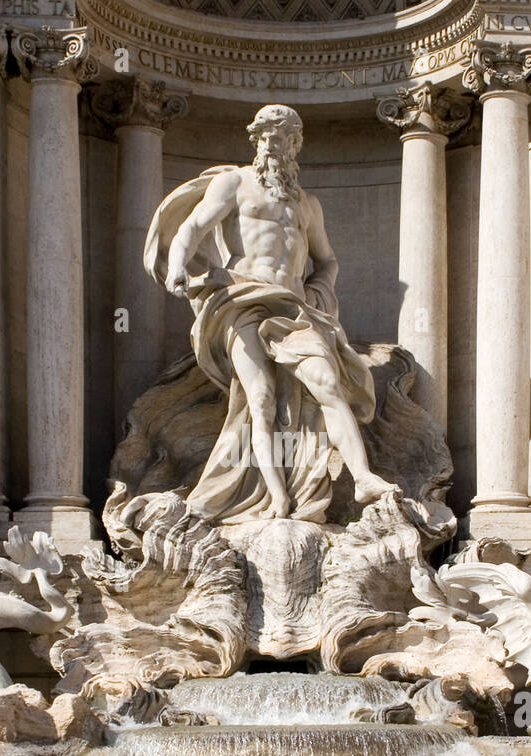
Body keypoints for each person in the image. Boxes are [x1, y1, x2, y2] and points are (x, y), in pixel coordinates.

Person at [146, 104, 397, 523]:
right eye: (263, 136)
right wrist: (176, 268)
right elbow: (192, 227)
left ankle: (364, 477)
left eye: (279, 136)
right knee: (259, 401)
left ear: (295, 143)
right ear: (255, 140)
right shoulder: (235, 183)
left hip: (295, 310)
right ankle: (277, 500)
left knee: (328, 385)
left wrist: (319, 292)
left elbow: (328, 261)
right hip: (242, 299)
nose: (270, 144)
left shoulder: (307, 204)